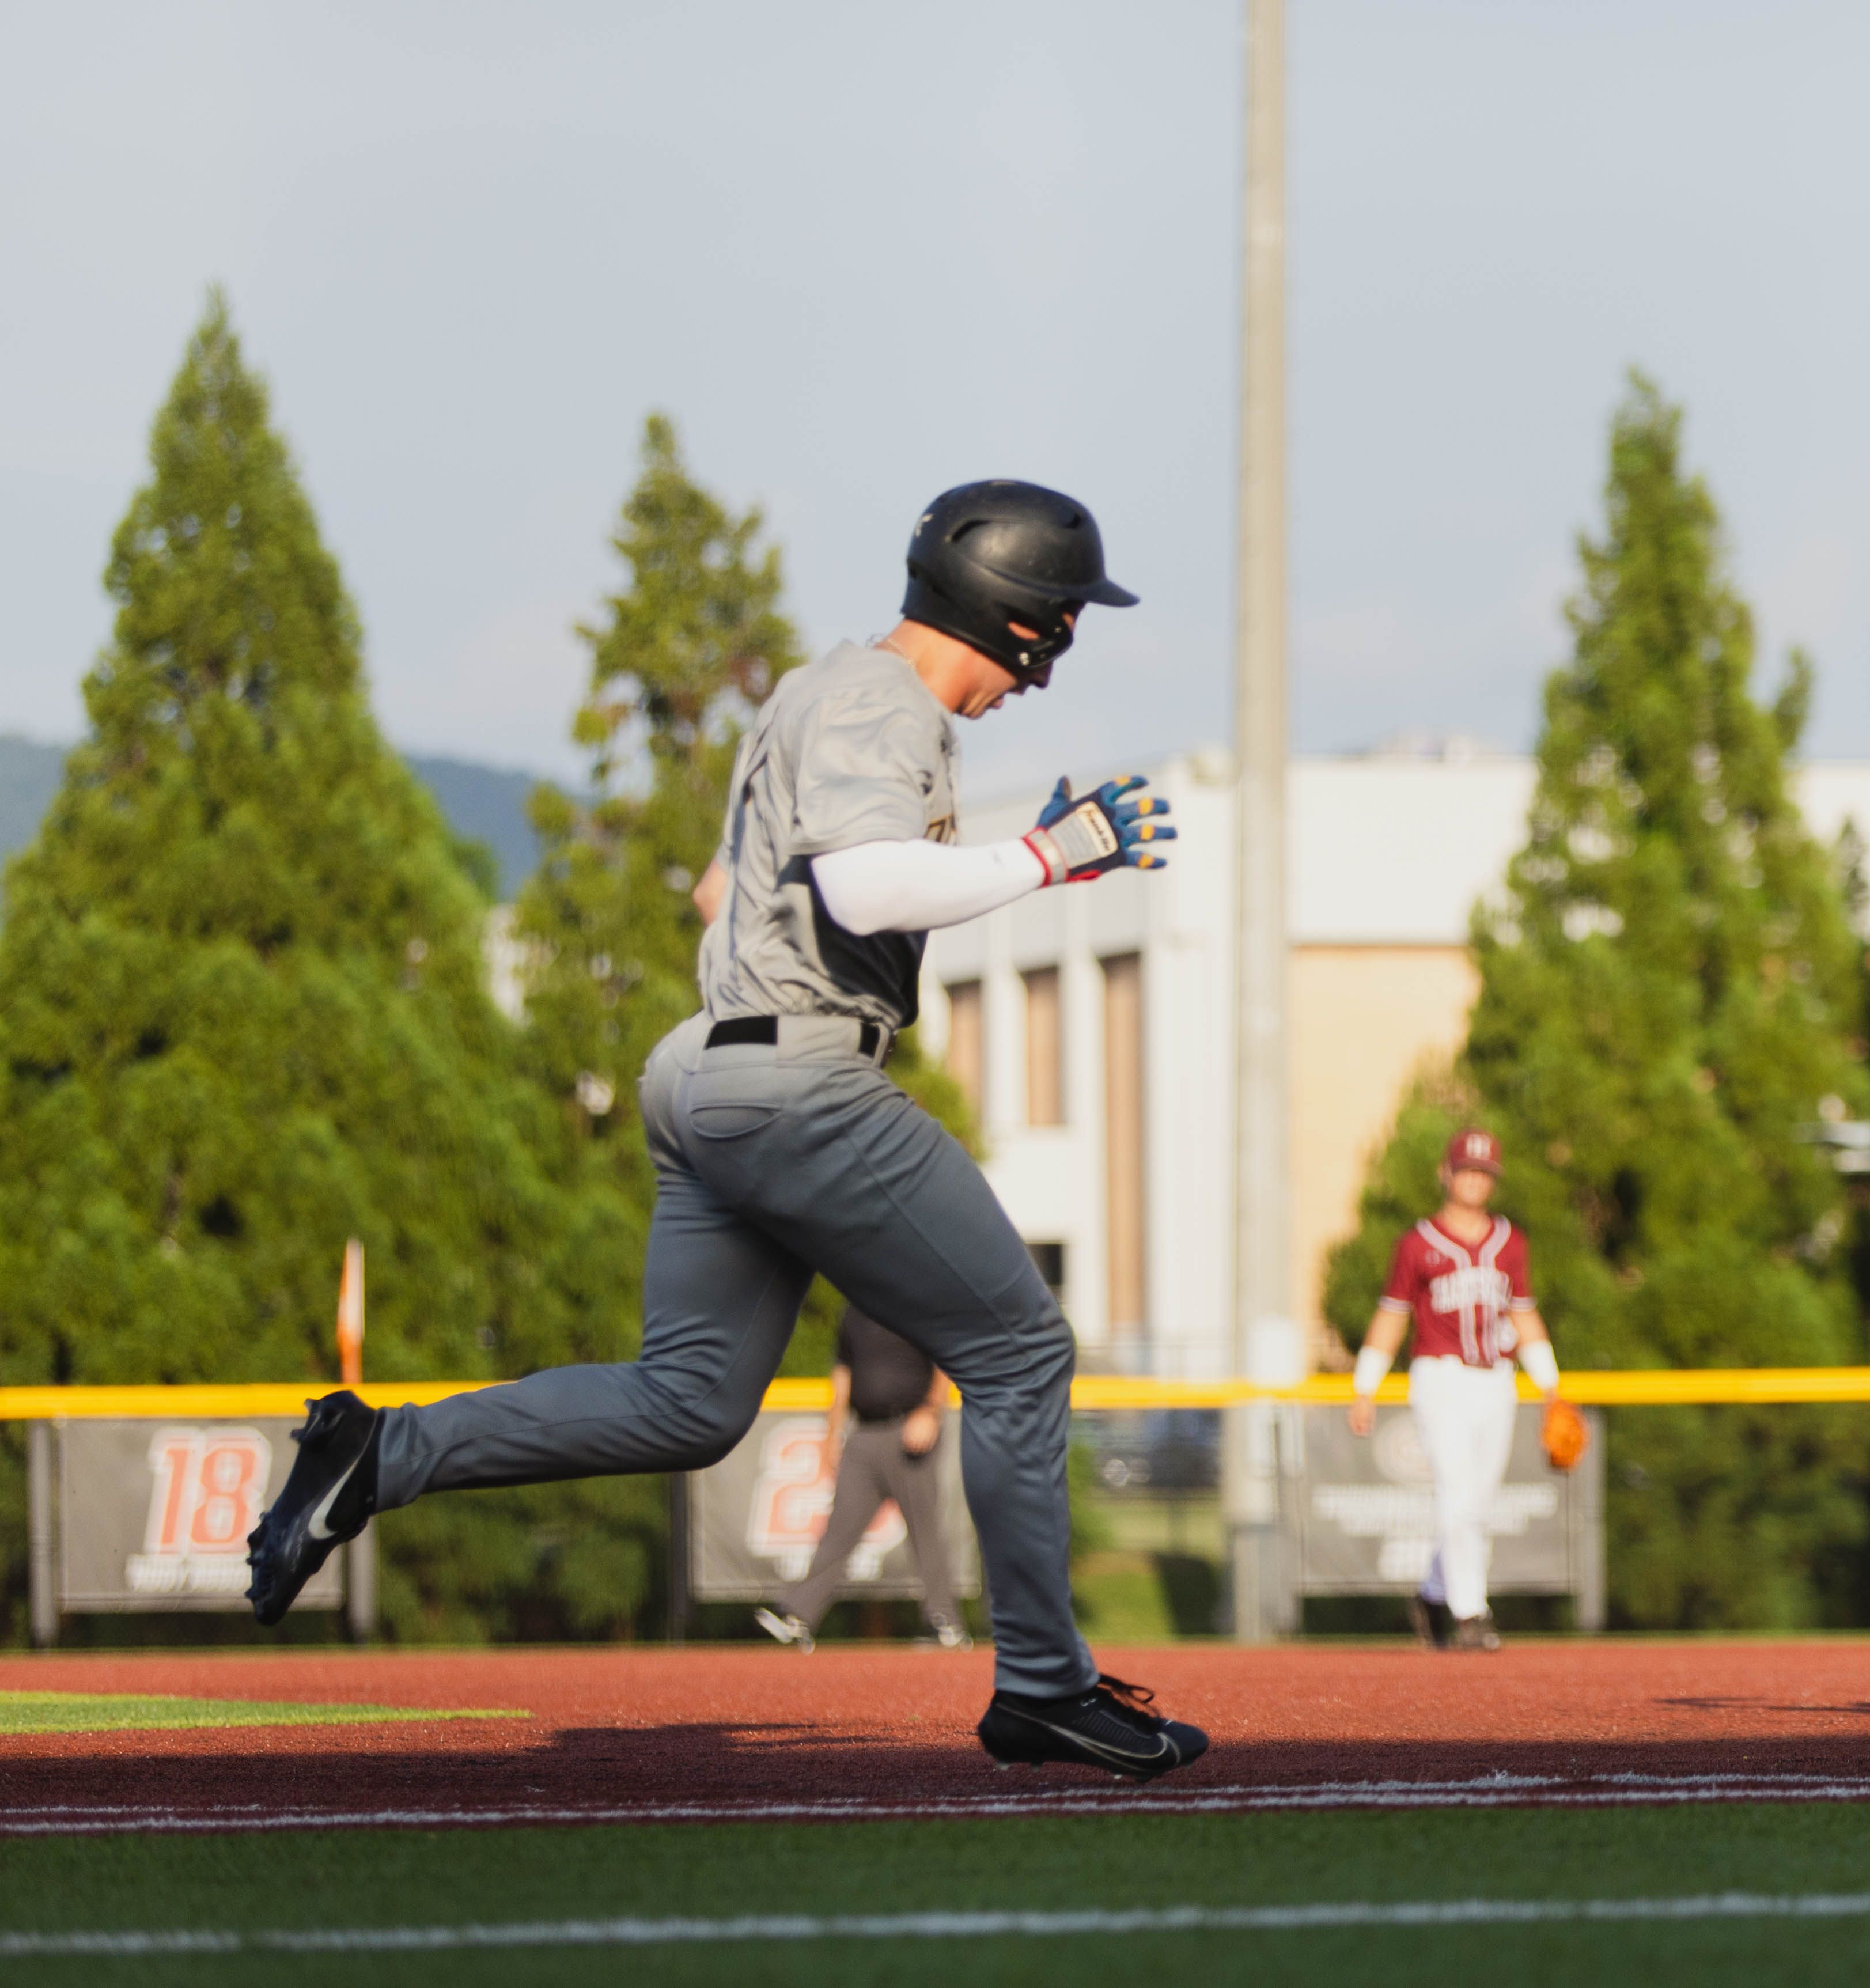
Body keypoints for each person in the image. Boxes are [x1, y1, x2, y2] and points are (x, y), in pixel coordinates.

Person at [244, 480, 1210, 1781]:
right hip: (796, 1078)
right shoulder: (887, 704)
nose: (1055, 662)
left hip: (703, 1068)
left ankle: (380, 1449)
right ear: (1019, 615)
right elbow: (863, 882)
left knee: (688, 1404)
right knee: (1023, 1349)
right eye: (1062, 624)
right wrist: (1051, 857)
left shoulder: (815, 690)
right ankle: (1042, 1683)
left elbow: (719, 891)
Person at [1347, 1129, 1559, 1652]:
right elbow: (1392, 1316)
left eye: (1484, 1172)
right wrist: (1364, 1386)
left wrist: (1551, 1384)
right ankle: (1472, 1613)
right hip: (1440, 1377)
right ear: (1446, 1173)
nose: (1474, 1178)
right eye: (1466, 1168)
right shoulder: (1417, 1243)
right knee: (1459, 1497)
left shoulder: (1511, 1242)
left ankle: (1433, 1594)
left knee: (1479, 1504)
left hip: (1497, 1380)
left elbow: (1524, 1312)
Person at [755, 1304, 967, 1652]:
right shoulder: (853, 1313)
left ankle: (945, 1623)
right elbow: (843, 1374)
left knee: (925, 1530)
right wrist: (831, 1432)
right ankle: (798, 1615)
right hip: (864, 1433)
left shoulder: (916, 1305)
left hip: (910, 1430)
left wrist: (931, 1411)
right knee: (839, 1531)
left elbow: (946, 1360)